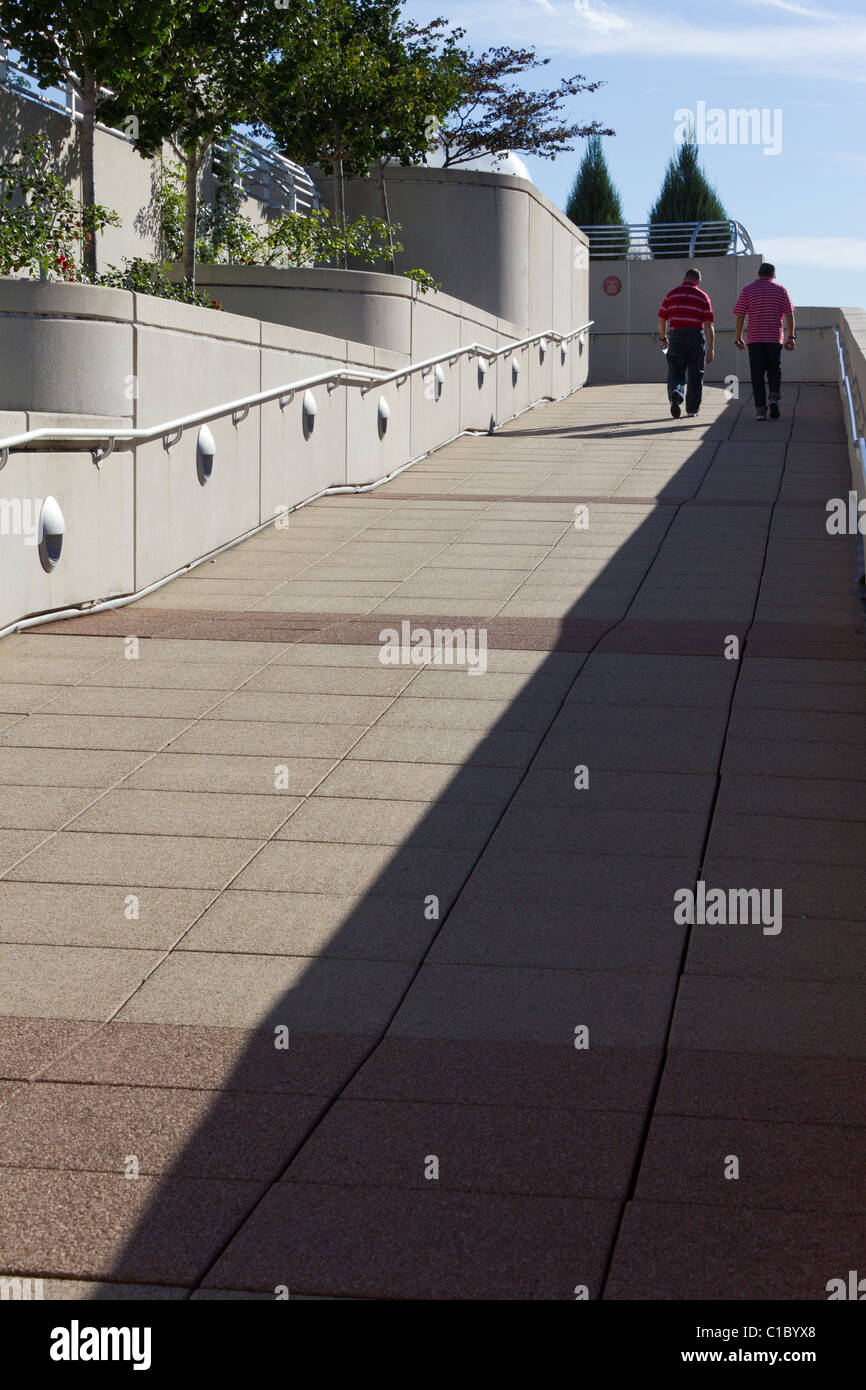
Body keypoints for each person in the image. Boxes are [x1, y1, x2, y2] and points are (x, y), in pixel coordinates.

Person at [733, 263, 796, 420]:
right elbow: (789, 314)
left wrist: (739, 337)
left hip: (754, 339)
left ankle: (761, 410)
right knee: (775, 370)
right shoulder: (780, 290)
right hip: (774, 338)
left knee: (757, 375)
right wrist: (791, 336)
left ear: (758, 274)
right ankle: (773, 397)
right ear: (773, 275)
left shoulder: (748, 289)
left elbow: (740, 315)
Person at [657, 267, 715, 419]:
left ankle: (676, 393)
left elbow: (662, 319)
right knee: (696, 374)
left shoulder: (672, 294)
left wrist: (663, 338)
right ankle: (692, 409)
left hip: (676, 336)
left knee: (676, 371)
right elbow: (709, 325)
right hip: (696, 335)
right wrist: (711, 348)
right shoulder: (703, 296)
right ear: (698, 281)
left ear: (684, 278)